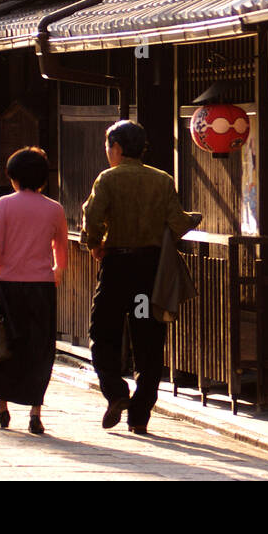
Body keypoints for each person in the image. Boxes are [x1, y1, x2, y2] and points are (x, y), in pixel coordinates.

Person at [82, 120, 198, 435]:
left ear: (117, 148)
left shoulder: (108, 178)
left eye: (108, 146)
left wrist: (94, 245)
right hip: (149, 271)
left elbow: (92, 218)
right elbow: (177, 222)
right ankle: (140, 415)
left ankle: (116, 392)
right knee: (147, 336)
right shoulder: (162, 180)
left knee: (103, 331)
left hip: (117, 267)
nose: (108, 152)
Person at [0, 146, 68, 434]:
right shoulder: (55, 209)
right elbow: (61, 246)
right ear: (43, 178)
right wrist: (58, 271)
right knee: (38, 349)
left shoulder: (3, 204)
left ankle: (2, 408)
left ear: (13, 177)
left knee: (7, 346)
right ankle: (35, 412)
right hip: (41, 287)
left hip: (10, 285)